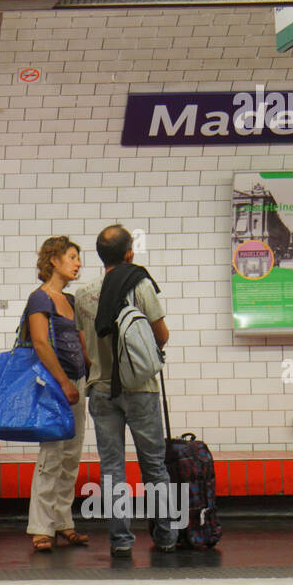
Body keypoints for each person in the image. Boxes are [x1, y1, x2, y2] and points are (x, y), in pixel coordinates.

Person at [73, 224, 177, 556]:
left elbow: (85, 349)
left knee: (112, 468)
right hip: (141, 389)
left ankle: (120, 541)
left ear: (100, 256)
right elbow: (161, 335)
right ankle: (166, 537)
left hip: (102, 391)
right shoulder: (140, 285)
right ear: (129, 254)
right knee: (154, 466)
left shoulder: (83, 294)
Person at [23, 237, 89, 550]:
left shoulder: (71, 301)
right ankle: (41, 526)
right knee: (51, 455)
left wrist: (90, 374)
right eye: (72, 257)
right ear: (54, 260)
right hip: (53, 386)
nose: (78, 263)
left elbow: (80, 343)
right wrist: (64, 382)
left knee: (71, 455)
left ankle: (63, 521)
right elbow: (40, 343)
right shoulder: (40, 299)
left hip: (78, 383)